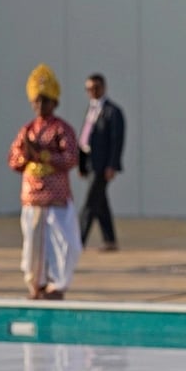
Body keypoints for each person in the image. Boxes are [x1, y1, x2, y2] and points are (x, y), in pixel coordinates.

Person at [7, 63, 83, 300]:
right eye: (36, 102)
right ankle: (36, 284)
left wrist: (44, 155)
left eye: (45, 101)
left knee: (64, 242)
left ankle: (57, 285)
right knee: (33, 244)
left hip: (56, 195)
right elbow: (13, 159)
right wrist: (27, 155)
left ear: (54, 103)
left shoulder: (62, 129)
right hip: (32, 196)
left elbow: (71, 157)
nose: (40, 106)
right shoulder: (27, 130)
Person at [77, 73, 126, 252]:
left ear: (103, 88)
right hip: (89, 163)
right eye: (89, 89)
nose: (92, 92)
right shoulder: (91, 110)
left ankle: (78, 240)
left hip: (102, 165)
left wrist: (112, 165)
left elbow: (116, 140)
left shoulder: (113, 112)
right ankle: (110, 240)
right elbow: (84, 138)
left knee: (90, 203)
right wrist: (81, 164)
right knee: (100, 203)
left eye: (95, 88)